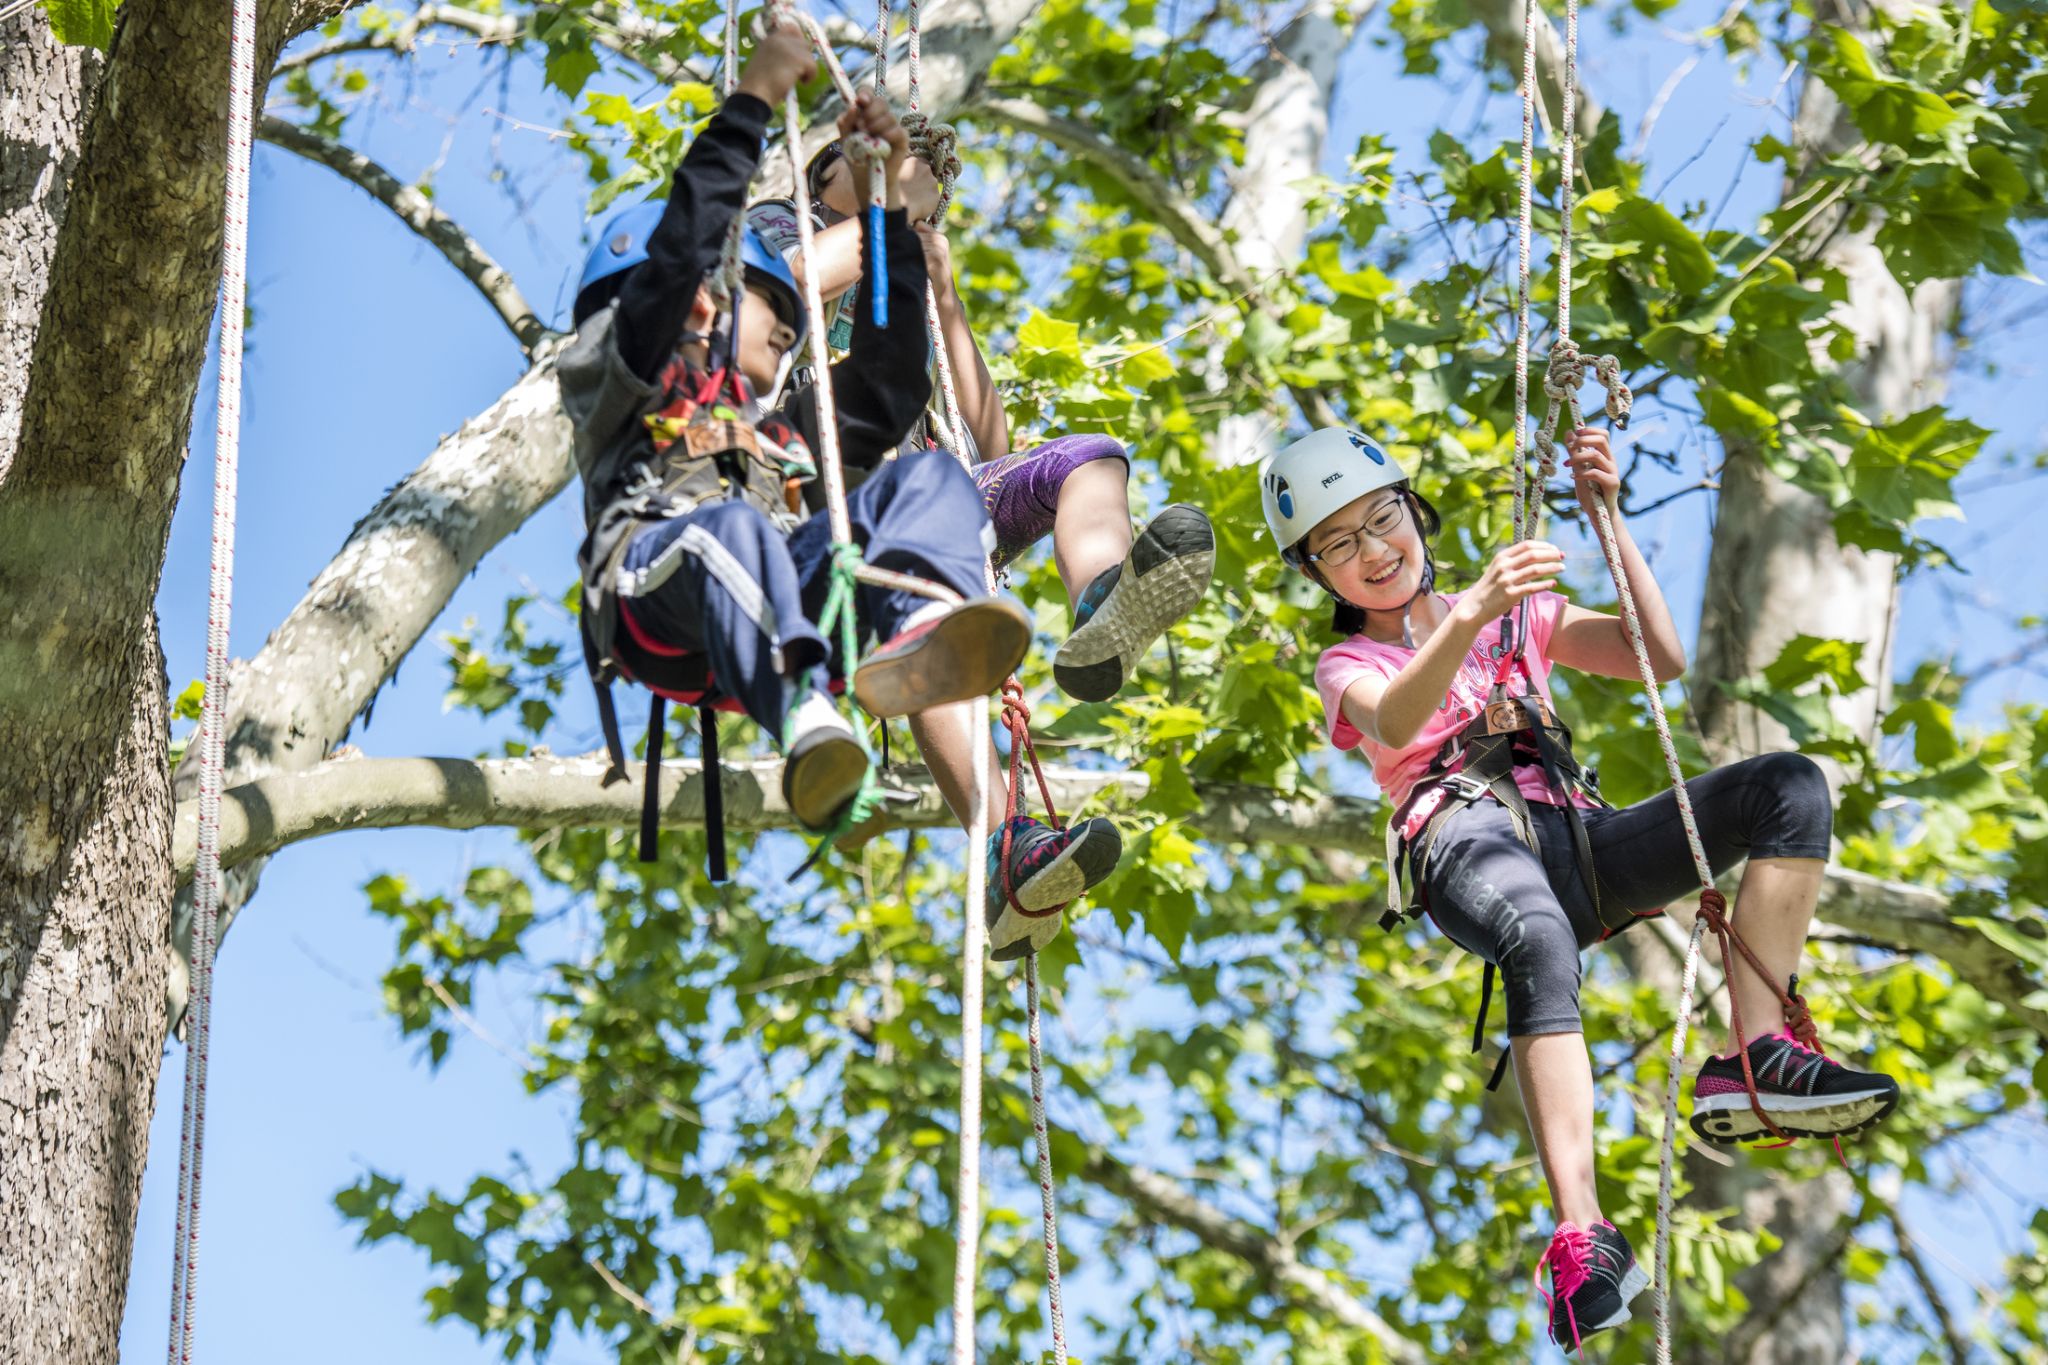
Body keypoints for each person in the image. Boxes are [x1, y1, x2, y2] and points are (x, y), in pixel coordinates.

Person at [1260, 425, 1901, 1352]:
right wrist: (1472, 613)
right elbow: (1395, 719)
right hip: (1465, 842)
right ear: (1317, 573)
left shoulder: (1514, 614)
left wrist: (1607, 520)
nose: (1372, 549)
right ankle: (1581, 1235)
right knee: (1535, 932)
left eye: (1381, 518)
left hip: (1580, 838)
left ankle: (1754, 1051)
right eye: (1338, 543)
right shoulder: (1349, 663)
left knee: (1787, 787)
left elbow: (1656, 655)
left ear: (1415, 511)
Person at [559, 21, 1028, 862]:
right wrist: (756, 97)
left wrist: (890, 213)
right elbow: (683, 244)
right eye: (775, 313)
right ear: (703, 304)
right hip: (656, 590)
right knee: (729, 528)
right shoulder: (621, 380)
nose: (790, 332)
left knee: (927, 482)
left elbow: (888, 381)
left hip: (779, 609)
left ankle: (923, 625)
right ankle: (807, 722)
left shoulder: (777, 434)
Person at [743, 149, 1216, 957]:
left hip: (934, 489)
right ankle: (1003, 847)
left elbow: (988, 441)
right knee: (928, 618)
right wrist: (891, 221)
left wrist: (947, 298)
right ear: (824, 173)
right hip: (829, 488)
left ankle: (1104, 599)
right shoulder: (784, 222)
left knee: (1087, 458)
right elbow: (787, 280)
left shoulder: (907, 267)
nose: (903, 169)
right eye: (877, 157)